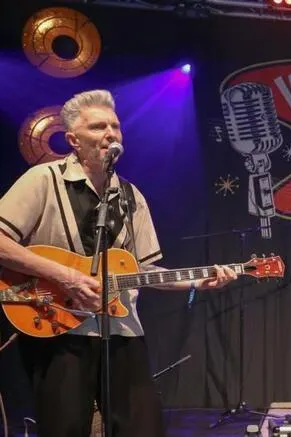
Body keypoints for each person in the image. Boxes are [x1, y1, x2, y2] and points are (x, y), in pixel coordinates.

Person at [0, 89, 238, 437]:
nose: (110, 133)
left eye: (115, 125)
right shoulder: (43, 180)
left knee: (142, 428)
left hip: (123, 332)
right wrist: (66, 276)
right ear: (73, 140)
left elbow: (141, 272)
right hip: (58, 327)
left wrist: (195, 282)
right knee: (64, 428)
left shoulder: (131, 196)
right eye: (98, 127)